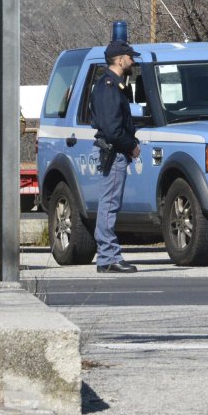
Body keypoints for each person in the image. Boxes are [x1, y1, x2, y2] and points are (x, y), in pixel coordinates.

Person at [91, 39, 141, 273]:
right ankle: (108, 257)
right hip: (115, 153)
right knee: (109, 204)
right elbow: (113, 129)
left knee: (110, 203)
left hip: (116, 152)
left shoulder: (112, 85)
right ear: (120, 59)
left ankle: (108, 256)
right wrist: (131, 145)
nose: (133, 61)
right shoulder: (110, 87)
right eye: (130, 57)